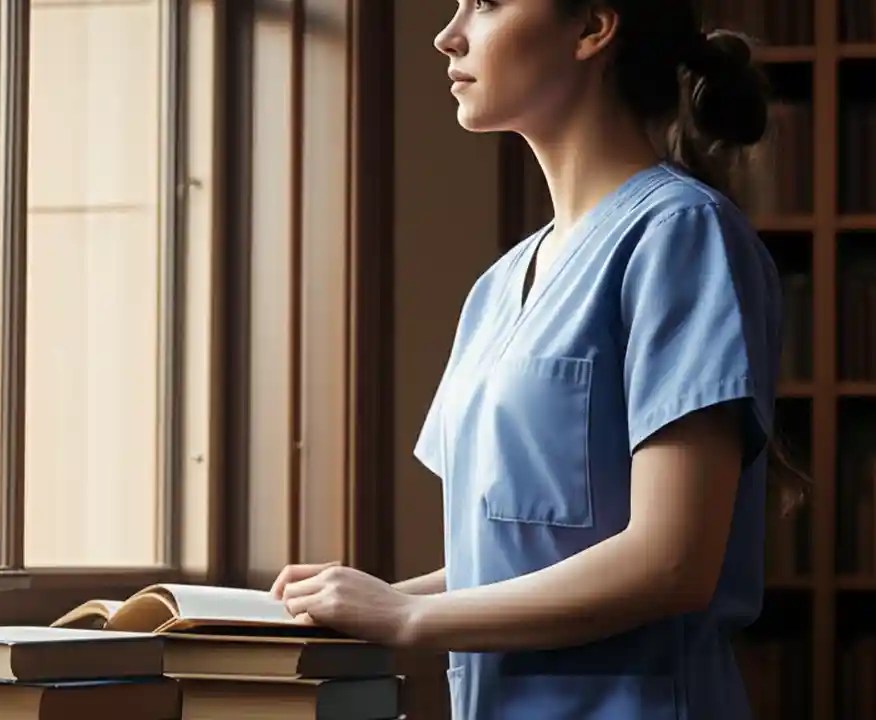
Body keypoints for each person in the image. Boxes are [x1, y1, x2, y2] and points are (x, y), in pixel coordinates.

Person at [271, 0, 810, 717]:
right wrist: (370, 601)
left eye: (486, 4)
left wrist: (409, 620)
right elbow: (509, 563)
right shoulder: (497, 287)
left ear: (593, 28)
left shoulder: (681, 234)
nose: (447, 34)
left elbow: (673, 561)